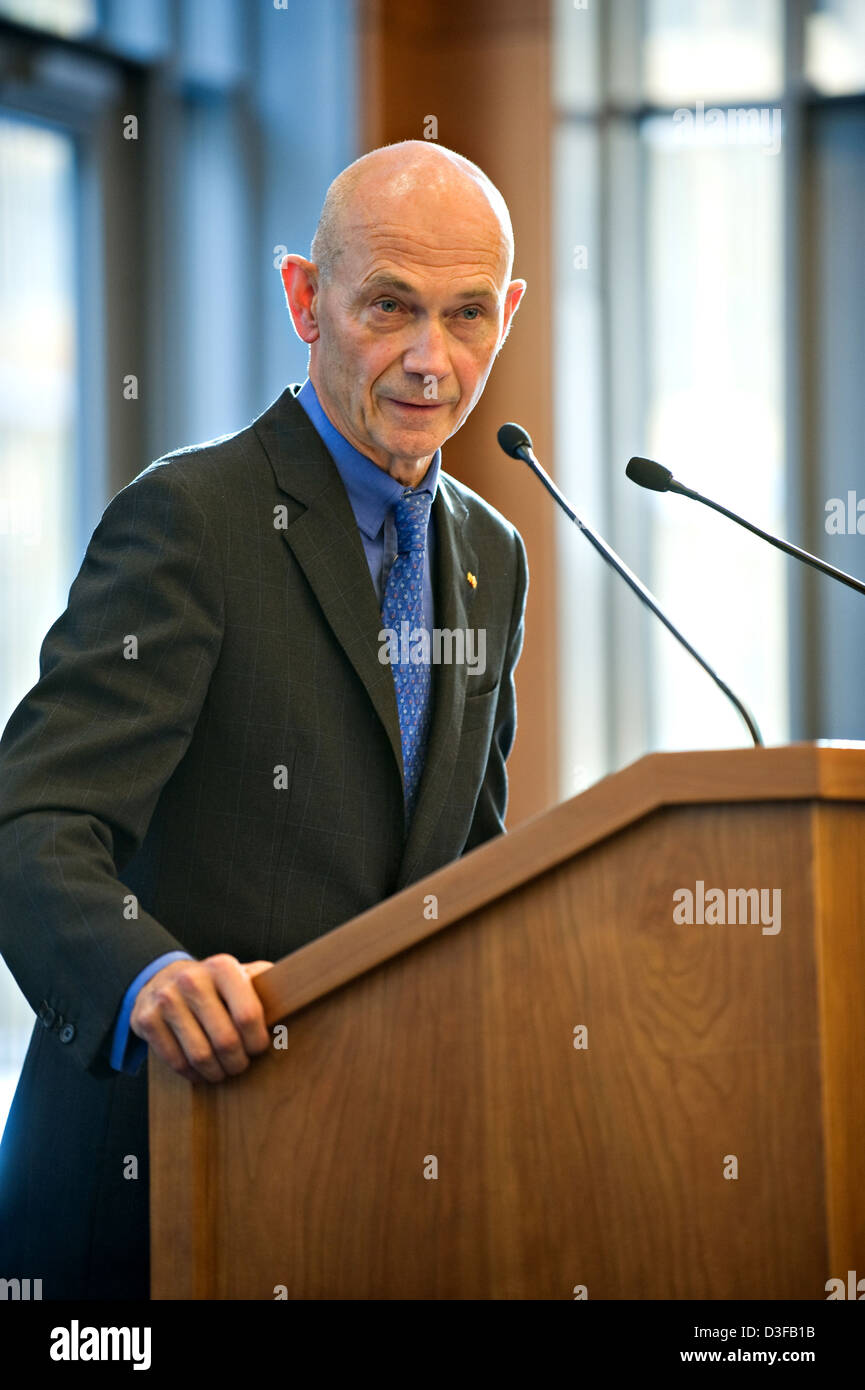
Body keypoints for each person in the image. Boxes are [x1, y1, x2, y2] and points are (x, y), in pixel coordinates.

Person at [0, 139, 528, 1299]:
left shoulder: (492, 555)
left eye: (467, 314)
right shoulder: (191, 520)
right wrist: (149, 979)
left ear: (509, 312)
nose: (430, 361)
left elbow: (466, 865)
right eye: (389, 306)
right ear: (305, 297)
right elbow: (32, 825)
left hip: (360, 1189)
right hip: (144, 1190)